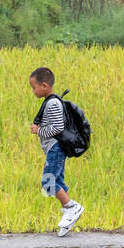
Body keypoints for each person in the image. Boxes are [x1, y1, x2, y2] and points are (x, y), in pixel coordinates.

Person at [29, 66, 84, 236]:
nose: (33, 91)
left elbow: (58, 128)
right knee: (58, 181)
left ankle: (72, 207)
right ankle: (68, 214)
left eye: (34, 87)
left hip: (55, 148)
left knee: (48, 182)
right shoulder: (51, 101)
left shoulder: (52, 103)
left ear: (44, 85)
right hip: (54, 149)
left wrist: (39, 131)